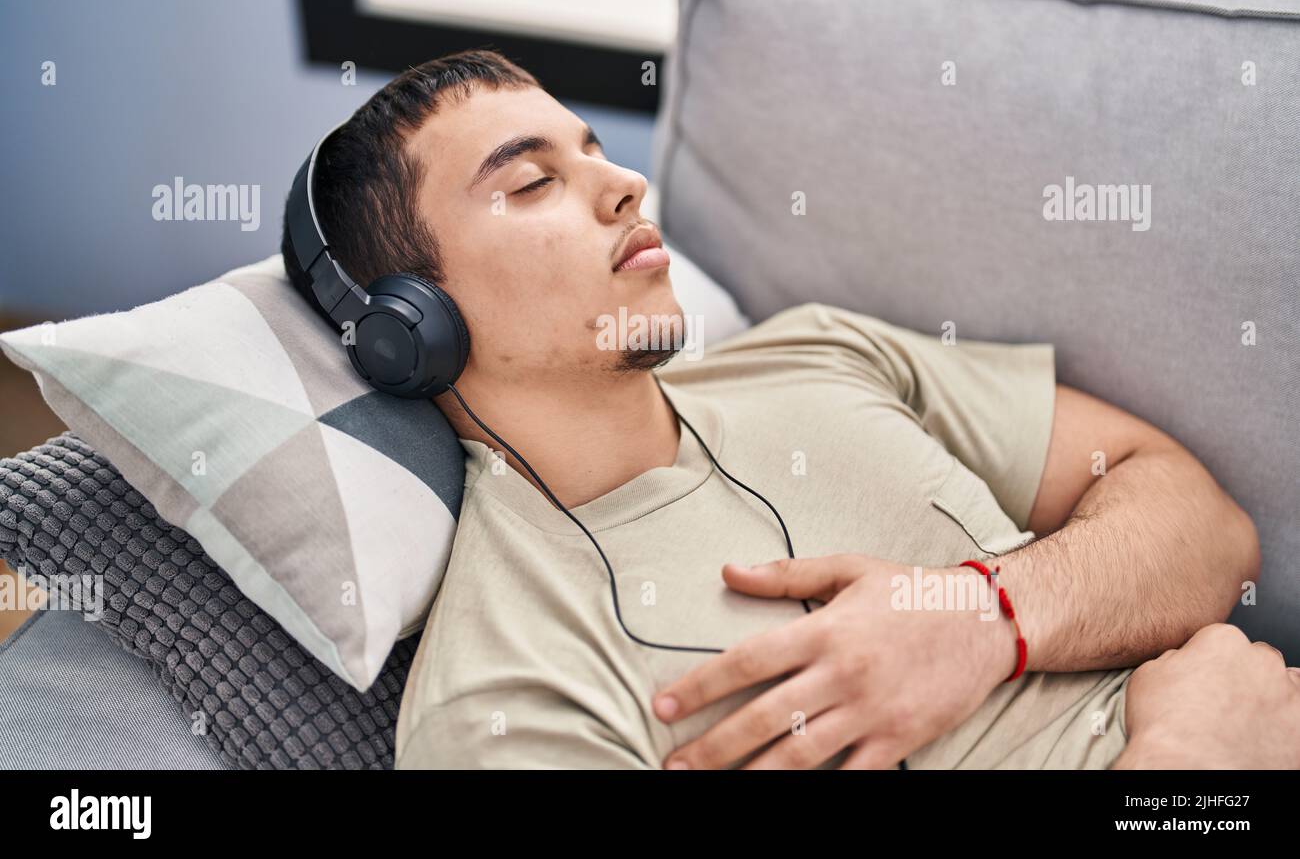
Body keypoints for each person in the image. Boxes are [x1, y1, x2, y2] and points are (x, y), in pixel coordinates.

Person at [282, 49, 1278, 769]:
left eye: (594, 152)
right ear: (411, 327)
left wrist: (989, 613)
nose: (624, 184)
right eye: (535, 181)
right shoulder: (508, 693)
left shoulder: (818, 352)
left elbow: (1206, 527)